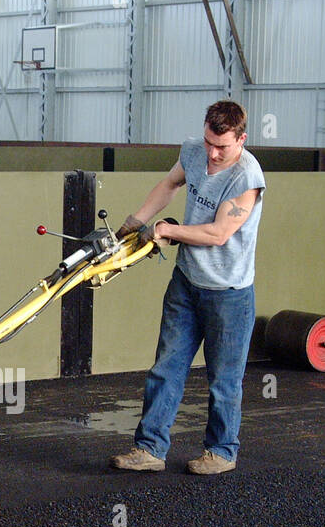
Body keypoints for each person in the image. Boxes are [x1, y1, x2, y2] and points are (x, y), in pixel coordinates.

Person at [110, 99, 265, 475]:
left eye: (222, 146)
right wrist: (135, 221)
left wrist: (165, 229)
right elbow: (169, 184)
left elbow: (218, 233)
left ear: (241, 139)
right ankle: (149, 449)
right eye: (209, 141)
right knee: (166, 366)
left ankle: (222, 452)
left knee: (224, 380)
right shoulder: (195, 151)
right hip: (186, 283)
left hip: (228, 293)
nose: (212, 153)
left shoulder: (247, 177)